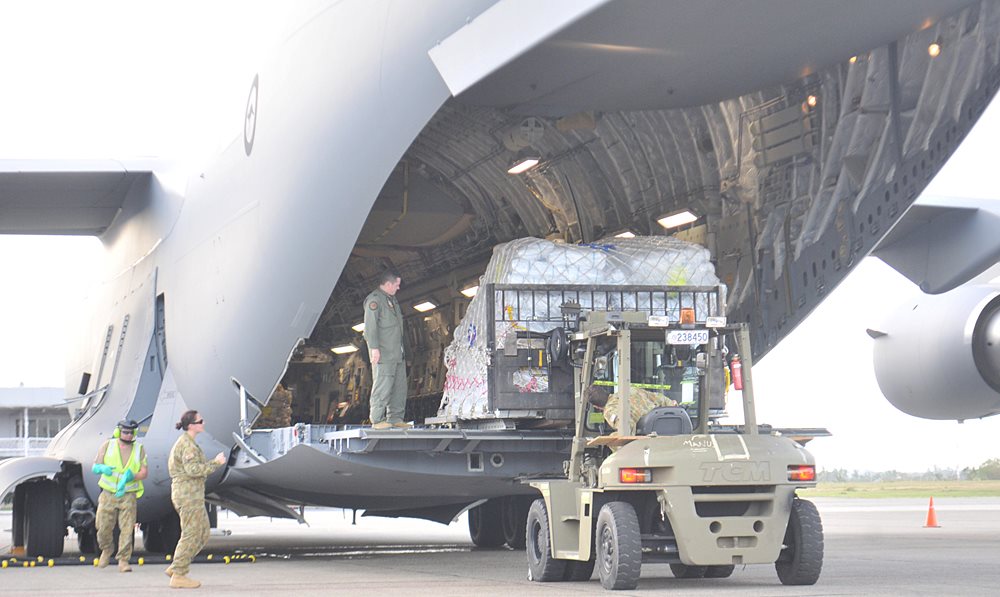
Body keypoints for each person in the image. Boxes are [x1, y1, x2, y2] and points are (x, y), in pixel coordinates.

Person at [165, 410, 225, 589]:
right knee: (191, 534)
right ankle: (178, 575)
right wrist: (216, 463)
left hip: (193, 495)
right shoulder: (188, 446)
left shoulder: (189, 443)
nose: (203, 423)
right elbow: (193, 470)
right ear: (191, 425)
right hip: (187, 495)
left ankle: (177, 565)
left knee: (203, 533)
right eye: (200, 421)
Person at [92, 419, 148, 572]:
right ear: (118, 432)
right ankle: (106, 549)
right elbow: (95, 466)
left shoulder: (139, 449)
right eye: (125, 432)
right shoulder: (107, 445)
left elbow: (144, 472)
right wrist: (102, 469)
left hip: (128, 494)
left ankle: (123, 559)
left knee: (127, 528)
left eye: (131, 432)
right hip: (108, 493)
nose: (128, 435)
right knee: (102, 526)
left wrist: (132, 476)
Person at [362, 269, 411, 429]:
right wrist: (374, 348)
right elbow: (370, 327)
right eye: (397, 285)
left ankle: (395, 417)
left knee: (399, 387)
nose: (398, 288)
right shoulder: (374, 301)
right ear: (388, 284)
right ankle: (377, 419)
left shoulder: (392, 300)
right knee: (382, 386)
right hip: (384, 353)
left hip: (397, 353)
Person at [586, 384, 678, 435]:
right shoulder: (631, 390)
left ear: (596, 407)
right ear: (606, 391)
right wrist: (672, 405)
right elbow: (658, 397)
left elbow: (626, 427)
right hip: (667, 427)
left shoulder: (609, 411)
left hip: (646, 438)